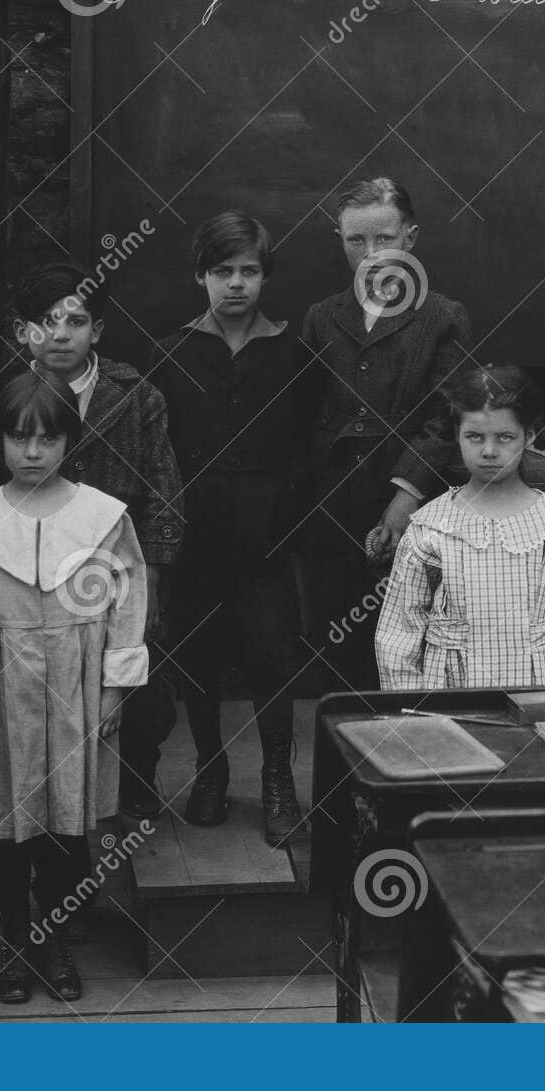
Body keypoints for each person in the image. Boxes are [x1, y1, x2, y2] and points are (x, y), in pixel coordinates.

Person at [0, 372, 149, 1005]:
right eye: (19, 437)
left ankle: (54, 938)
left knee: (66, 820)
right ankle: (14, 939)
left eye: (47, 438)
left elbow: (127, 599)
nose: (32, 451)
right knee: (9, 816)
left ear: (68, 441)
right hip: (2, 680)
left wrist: (113, 684)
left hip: (78, 674)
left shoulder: (103, 518)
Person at [147, 211, 310, 843]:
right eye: (222, 271)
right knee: (197, 655)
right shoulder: (172, 352)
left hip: (268, 535)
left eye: (248, 271)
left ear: (265, 276)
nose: (236, 283)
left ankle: (276, 776)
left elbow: (307, 444)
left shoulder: (293, 350)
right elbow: (157, 451)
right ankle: (210, 768)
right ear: (201, 276)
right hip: (195, 532)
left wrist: (290, 514)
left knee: (272, 654)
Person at [8, 262, 183, 819]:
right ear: (23, 331)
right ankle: (53, 798)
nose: (60, 334)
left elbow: (163, 490)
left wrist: (150, 575)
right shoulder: (7, 395)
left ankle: (133, 785)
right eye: (46, 321)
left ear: (97, 330)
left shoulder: (134, 396)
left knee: (134, 685)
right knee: (46, 684)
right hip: (37, 570)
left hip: (117, 572)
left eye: (75, 321)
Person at [302, 177, 469, 691]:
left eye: (384, 239)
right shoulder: (322, 317)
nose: (371, 253)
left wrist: (405, 496)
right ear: (341, 240)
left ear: (410, 238)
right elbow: (306, 412)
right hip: (331, 499)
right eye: (357, 241)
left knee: (406, 637)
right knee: (337, 642)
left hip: (409, 494)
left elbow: (447, 417)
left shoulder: (442, 316)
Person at [375, 365, 545, 689]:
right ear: (458, 434)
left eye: (505, 437)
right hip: (447, 697)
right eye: (475, 436)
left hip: (533, 692)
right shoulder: (430, 528)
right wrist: (414, 709)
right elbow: (399, 634)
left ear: (529, 436)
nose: (489, 451)